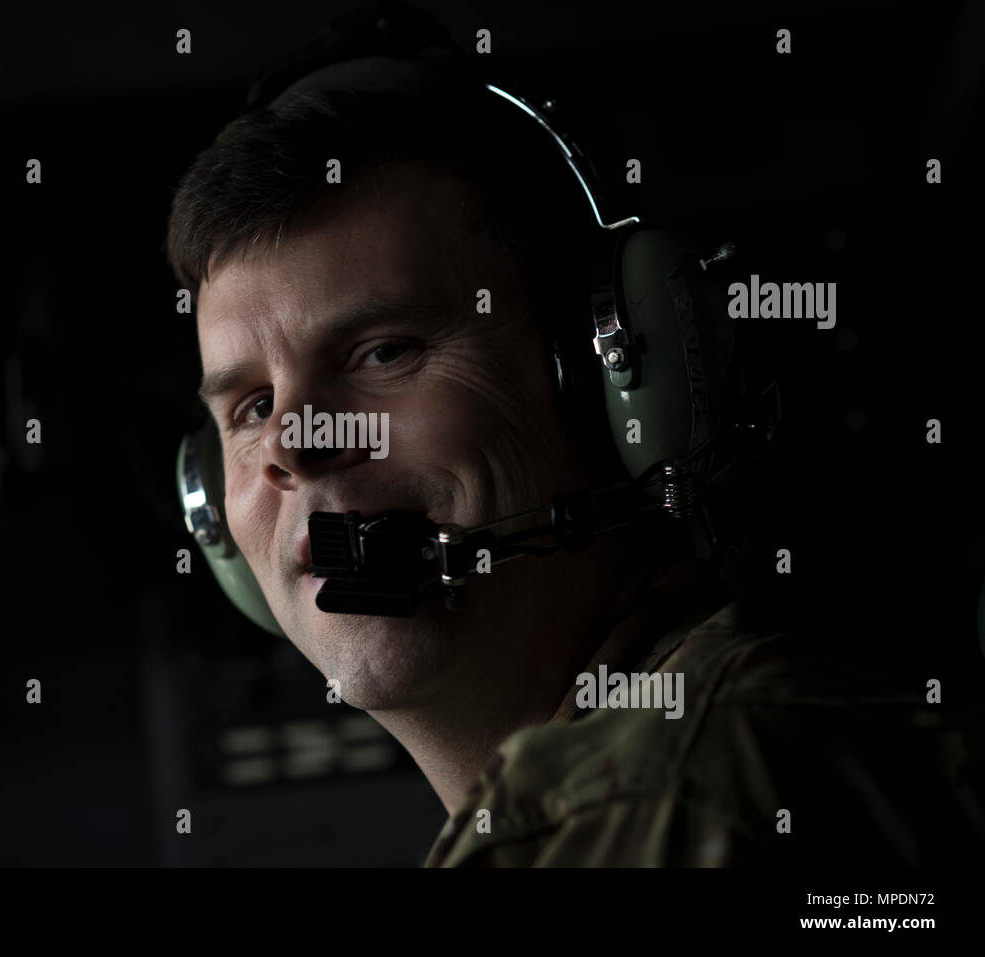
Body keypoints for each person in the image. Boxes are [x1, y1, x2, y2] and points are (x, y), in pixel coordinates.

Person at [164, 55, 985, 866]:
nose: (292, 445)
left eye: (382, 352)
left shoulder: (689, 797)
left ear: (606, 387)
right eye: (252, 406)